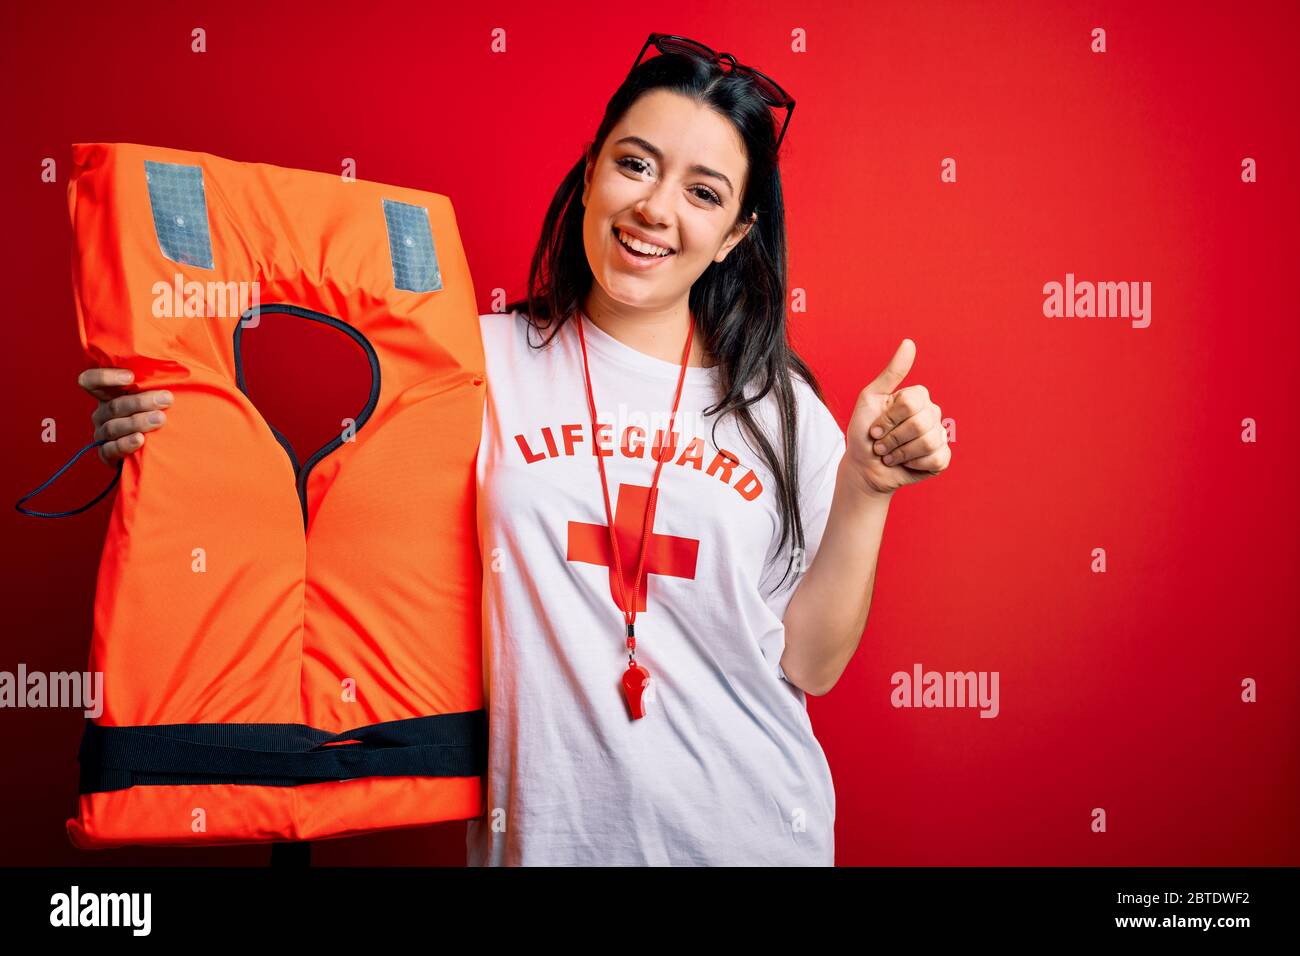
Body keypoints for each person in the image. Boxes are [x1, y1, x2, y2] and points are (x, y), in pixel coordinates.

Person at [77, 35, 952, 865]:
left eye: (703, 191)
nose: (654, 207)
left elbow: (811, 662)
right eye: (635, 163)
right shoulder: (476, 359)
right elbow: (329, 503)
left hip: (754, 832)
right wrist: (171, 434)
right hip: (543, 840)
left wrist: (868, 488)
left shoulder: (779, 408)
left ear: (733, 235)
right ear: (593, 170)